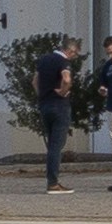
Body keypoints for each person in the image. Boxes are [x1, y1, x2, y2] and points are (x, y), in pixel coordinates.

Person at [28, 38, 78, 192]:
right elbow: (66, 79)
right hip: (59, 105)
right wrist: (63, 92)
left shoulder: (44, 60)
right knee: (57, 145)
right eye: (75, 55)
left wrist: (42, 95)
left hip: (45, 104)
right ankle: (53, 182)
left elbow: (34, 81)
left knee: (51, 144)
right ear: (70, 51)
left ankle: (51, 180)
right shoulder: (63, 62)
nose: (74, 57)